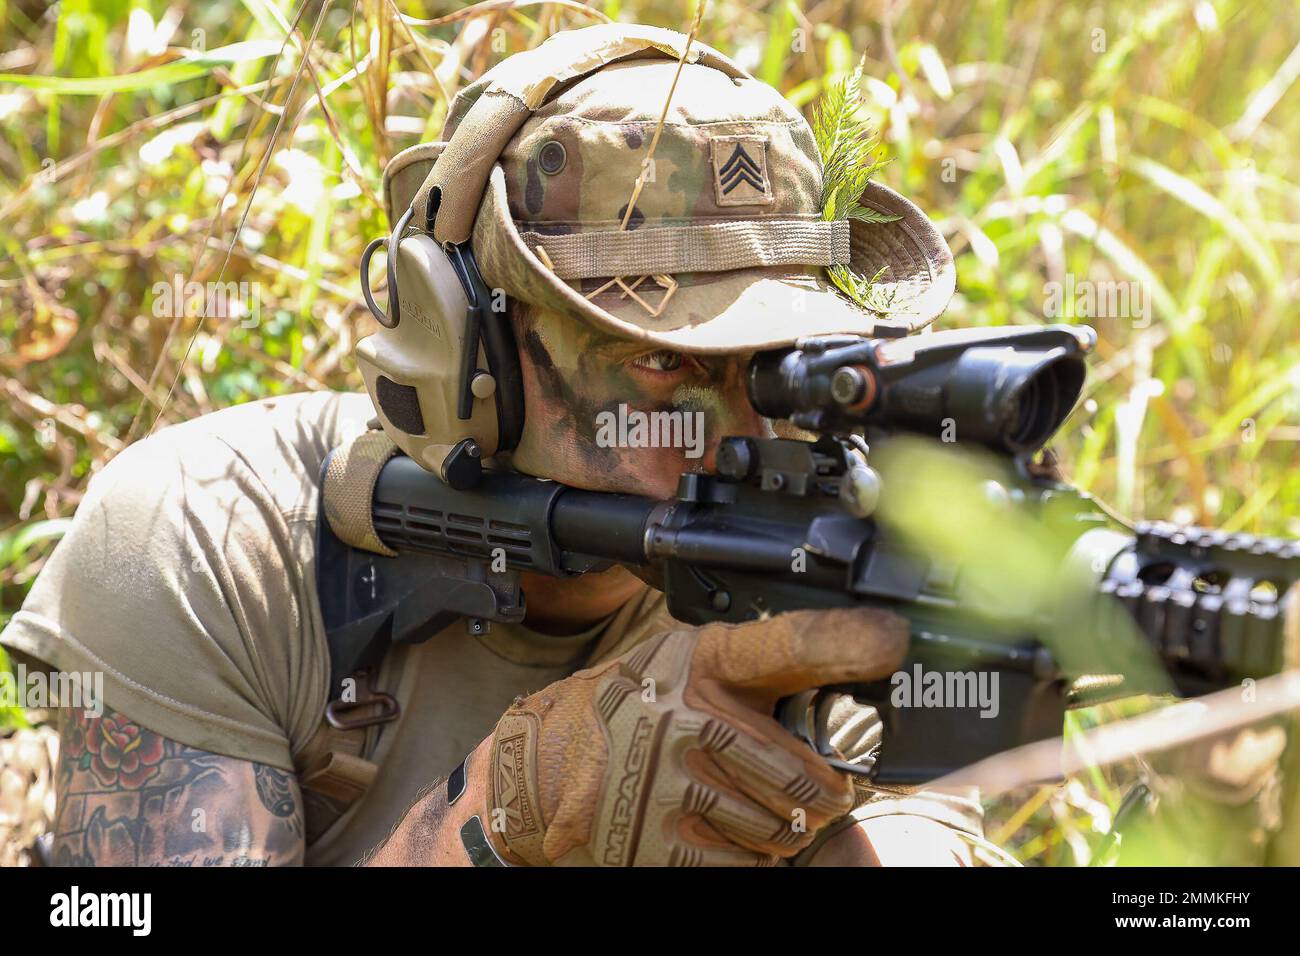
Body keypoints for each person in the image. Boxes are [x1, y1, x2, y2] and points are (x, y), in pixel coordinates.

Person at [2, 23, 989, 866]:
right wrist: (505, 808)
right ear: (459, 338)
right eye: (661, 362)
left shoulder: (823, 557)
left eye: (768, 362)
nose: (733, 433)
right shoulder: (205, 538)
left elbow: (922, 821)